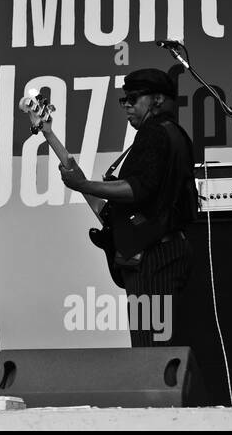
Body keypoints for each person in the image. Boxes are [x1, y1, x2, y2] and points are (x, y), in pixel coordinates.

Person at [44, 68, 196, 347]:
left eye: (133, 98)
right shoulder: (172, 135)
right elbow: (115, 209)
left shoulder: (155, 133)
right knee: (153, 349)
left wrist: (85, 185)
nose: (126, 105)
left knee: (150, 355)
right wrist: (51, 137)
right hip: (157, 256)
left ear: (158, 100)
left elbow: (137, 187)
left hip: (154, 261)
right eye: (123, 99)